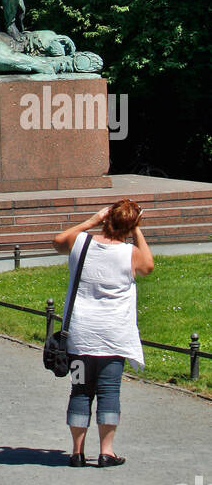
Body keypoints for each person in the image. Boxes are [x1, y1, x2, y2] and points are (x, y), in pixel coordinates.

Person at [53, 199, 154, 467]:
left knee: (80, 390)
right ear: (130, 225)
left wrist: (92, 220)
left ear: (106, 219)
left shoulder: (81, 244)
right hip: (113, 338)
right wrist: (138, 229)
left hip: (78, 337)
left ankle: (76, 452)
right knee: (109, 391)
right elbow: (148, 266)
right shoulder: (130, 253)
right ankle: (106, 452)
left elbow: (58, 240)